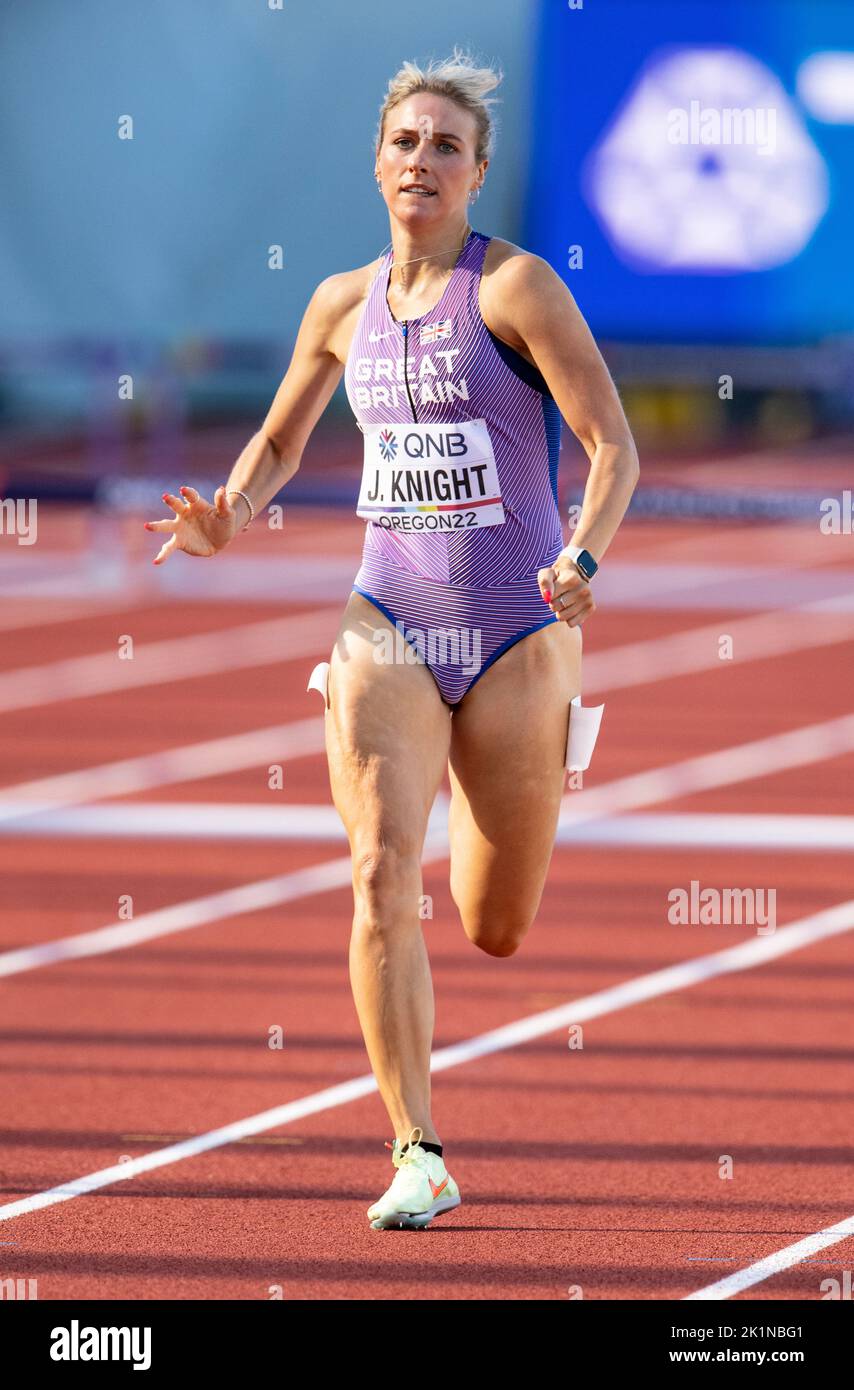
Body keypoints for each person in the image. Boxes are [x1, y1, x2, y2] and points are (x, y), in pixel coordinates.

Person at [145, 48, 639, 1231]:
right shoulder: (335, 304)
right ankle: (416, 1144)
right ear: (377, 162)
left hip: (519, 629)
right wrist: (229, 514)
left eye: (446, 147)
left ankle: (502, 768)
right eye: (405, 142)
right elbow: (275, 442)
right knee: (376, 871)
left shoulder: (514, 291)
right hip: (387, 618)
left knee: (494, 927)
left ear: (476, 176)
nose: (422, 161)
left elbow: (612, 444)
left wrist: (578, 560)